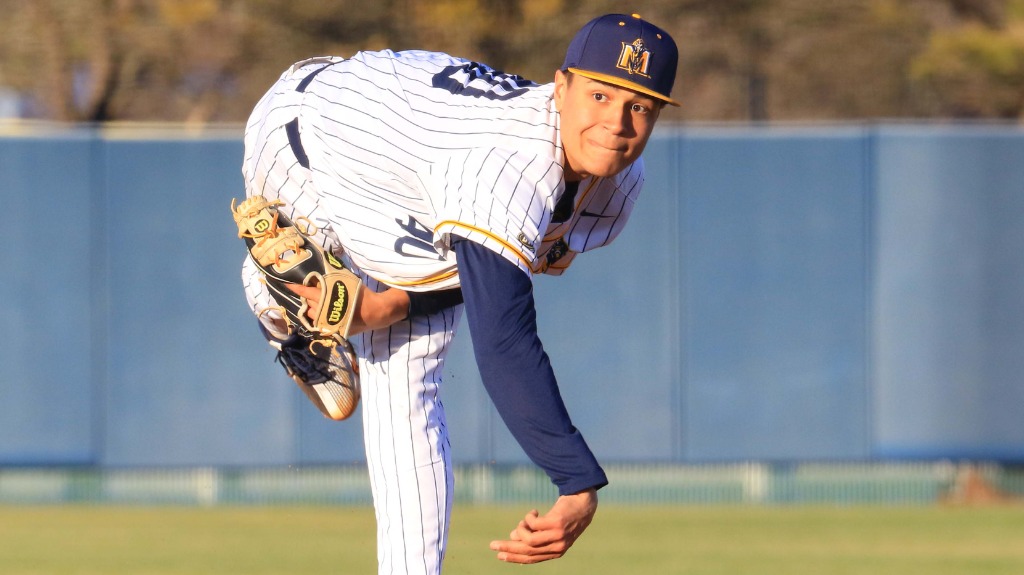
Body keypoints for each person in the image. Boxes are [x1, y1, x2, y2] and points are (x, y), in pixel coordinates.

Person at [238, 13, 678, 574]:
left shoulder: (615, 189)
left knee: (402, 364)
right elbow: (505, 341)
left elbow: (488, 281)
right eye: (599, 94)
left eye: (639, 106)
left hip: (411, 176)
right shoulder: (510, 165)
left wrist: (388, 304)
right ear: (560, 87)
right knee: (339, 308)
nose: (616, 122)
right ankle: (280, 310)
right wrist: (576, 479)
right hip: (311, 132)